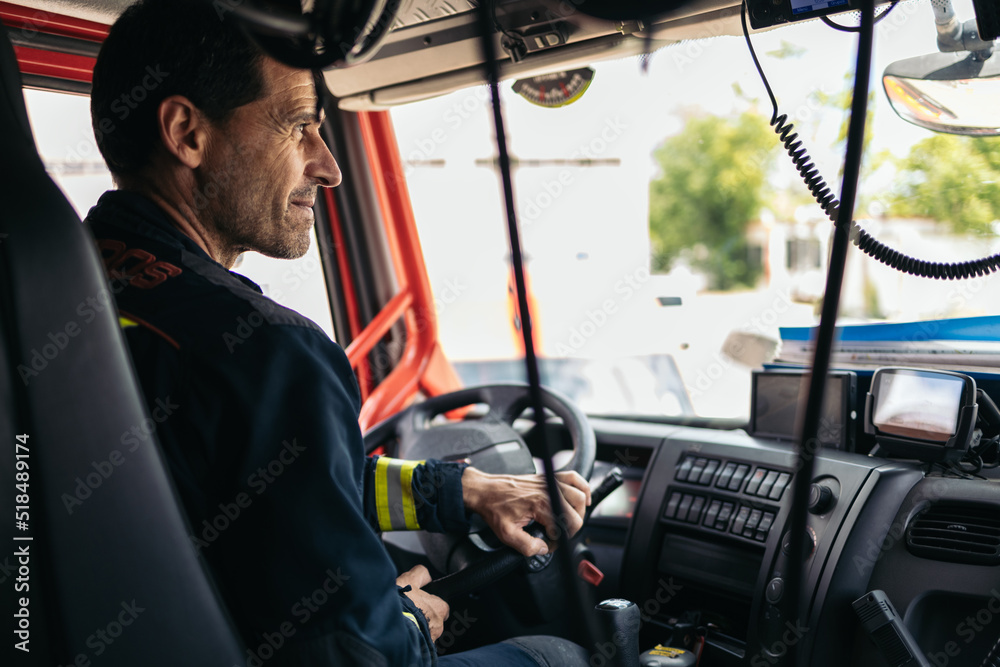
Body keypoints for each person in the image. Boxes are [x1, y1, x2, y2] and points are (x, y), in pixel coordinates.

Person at [84, 0, 592, 665]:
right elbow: (353, 652)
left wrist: (461, 492)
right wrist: (410, 617)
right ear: (187, 133)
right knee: (558, 654)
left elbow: (272, 482)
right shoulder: (265, 354)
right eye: (299, 125)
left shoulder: (71, 296)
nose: (329, 165)